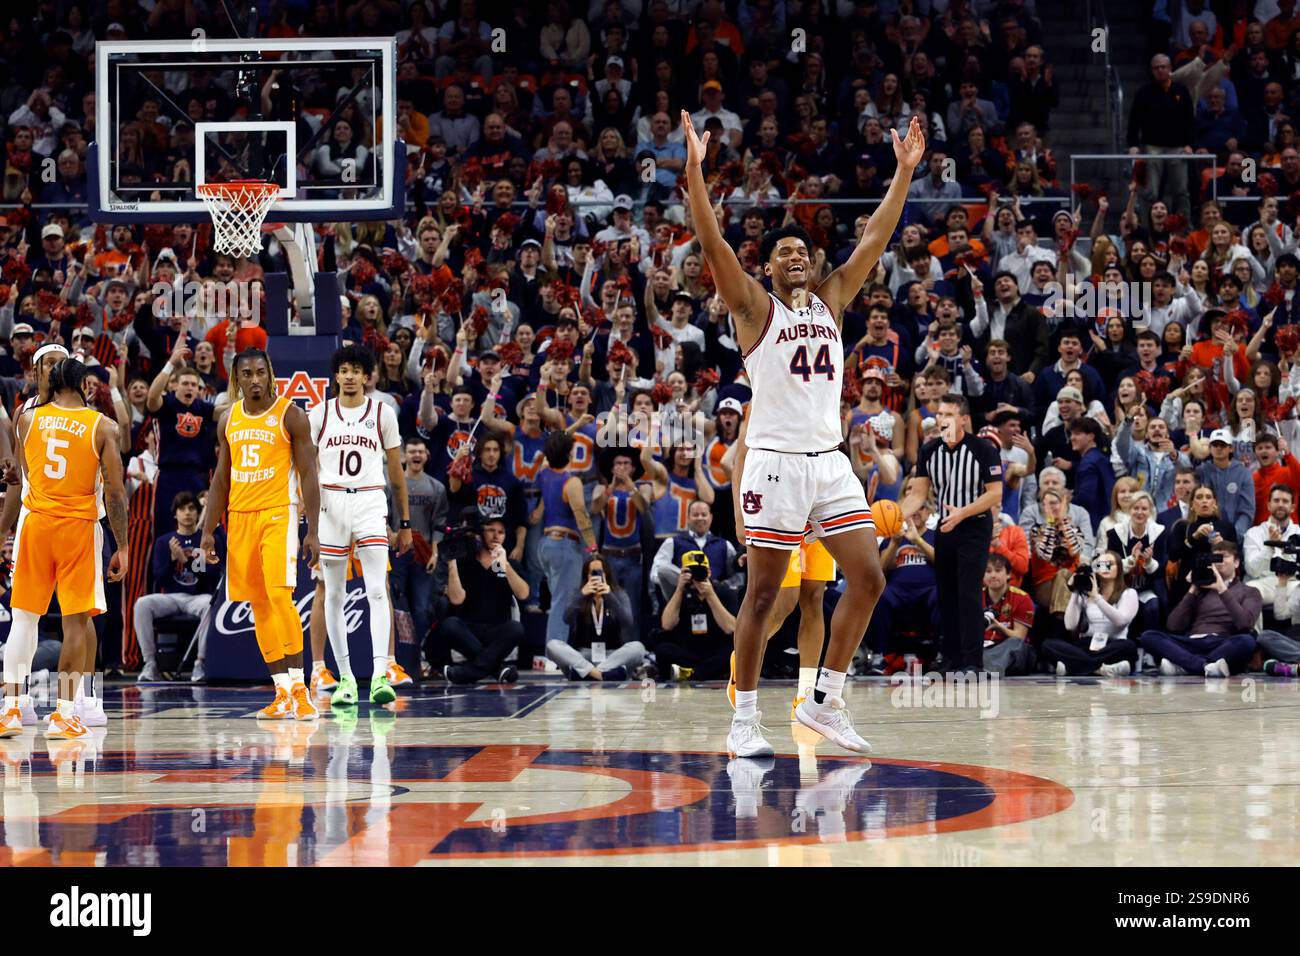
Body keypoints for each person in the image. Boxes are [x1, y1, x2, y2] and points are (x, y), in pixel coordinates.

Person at [683, 109, 924, 759]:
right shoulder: (753, 308)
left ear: (812, 261)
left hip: (829, 461)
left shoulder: (833, 297)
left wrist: (902, 173)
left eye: (801, 251)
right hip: (775, 463)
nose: (794, 257)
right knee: (764, 596)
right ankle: (744, 721)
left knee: (867, 578)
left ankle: (824, 702)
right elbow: (714, 246)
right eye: (781, 252)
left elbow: (874, 235)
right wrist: (696, 174)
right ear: (770, 268)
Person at [0, 359, 128, 739]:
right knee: (75, 622)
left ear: (51, 385)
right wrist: (122, 545)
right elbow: (117, 494)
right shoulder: (103, 426)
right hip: (77, 528)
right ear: (85, 387)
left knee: (24, 621)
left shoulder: (26, 419)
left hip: (35, 524)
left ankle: (9, 711)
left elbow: (21, 476)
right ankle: (64, 714)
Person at [200, 349, 322, 721]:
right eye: (247, 374)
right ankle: (281, 691)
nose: (255, 379)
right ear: (237, 379)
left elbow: (308, 474)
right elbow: (222, 479)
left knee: (279, 596)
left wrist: (312, 529)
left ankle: (301, 691)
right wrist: (208, 529)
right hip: (239, 518)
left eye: (260, 372)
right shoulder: (228, 419)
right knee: (258, 605)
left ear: (270, 374)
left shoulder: (291, 415)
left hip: (278, 514)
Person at [309, 345, 412, 709]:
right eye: (345, 370)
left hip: (369, 502)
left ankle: (381, 673)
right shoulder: (319, 414)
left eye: (357, 370)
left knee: (377, 591)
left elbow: (397, 473)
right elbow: (306, 472)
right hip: (330, 504)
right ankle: (347, 679)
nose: (350, 375)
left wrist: (404, 523)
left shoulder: (383, 413)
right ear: (335, 375)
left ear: (367, 376)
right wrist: (308, 525)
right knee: (333, 593)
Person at [898, 394, 1005, 673]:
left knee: (968, 593)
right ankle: (951, 657)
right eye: (939, 413)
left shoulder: (983, 449)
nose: (941, 418)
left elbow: (995, 494)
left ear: (964, 419)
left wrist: (963, 512)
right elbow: (918, 495)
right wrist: (894, 515)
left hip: (974, 525)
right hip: (945, 526)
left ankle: (973, 662)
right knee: (946, 594)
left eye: (948, 413)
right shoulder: (929, 450)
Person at [135, 491, 224, 682]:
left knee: (210, 603)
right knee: (142, 604)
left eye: (192, 508)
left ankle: (200, 664)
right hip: (172, 597)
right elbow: (159, 578)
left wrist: (187, 561)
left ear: (198, 513)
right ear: (175, 514)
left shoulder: (204, 540)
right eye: (182, 509)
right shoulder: (164, 542)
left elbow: (209, 577)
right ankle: (150, 664)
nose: (187, 513)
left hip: (197, 596)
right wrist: (172, 559)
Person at [1140, 541, 1260, 676]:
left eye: (1223, 557)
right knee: (1149, 636)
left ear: (1236, 562)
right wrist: (1193, 589)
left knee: (1246, 641)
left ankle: (1184, 666)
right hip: (1192, 642)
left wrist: (1222, 589)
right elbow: (1173, 625)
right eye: (1215, 558)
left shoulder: (1249, 591)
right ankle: (1204, 666)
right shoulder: (1201, 589)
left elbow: (1245, 623)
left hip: (1222, 642)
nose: (1219, 562)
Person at [440, 515, 528, 685]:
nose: (496, 536)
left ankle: (466, 673)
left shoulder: (510, 565)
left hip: (497, 630)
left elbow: (523, 594)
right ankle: (498, 669)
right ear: (481, 533)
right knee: (450, 624)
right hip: (469, 630)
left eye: (501, 532)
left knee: (517, 629)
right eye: (491, 530)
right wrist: (452, 565)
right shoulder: (465, 563)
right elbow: (456, 599)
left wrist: (506, 566)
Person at [536, 431, 598, 649]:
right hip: (564, 544)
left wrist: (575, 427)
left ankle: (561, 646)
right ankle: (556, 651)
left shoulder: (543, 472)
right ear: (570, 453)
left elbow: (551, 449)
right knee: (562, 602)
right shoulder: (571, 482)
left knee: (559, 600)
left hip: (545, 544)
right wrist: (593, 547)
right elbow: (582, 517)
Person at [548, 554, 648, 681]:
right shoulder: (579, 594)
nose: (596, 577)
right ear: (586, 576)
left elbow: (627, 622)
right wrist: (581, 595)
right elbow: (567, 618)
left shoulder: (618, 594)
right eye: (592, 573)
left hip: (612, 655)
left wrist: (609, 596)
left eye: (599, 572)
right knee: (552, 645)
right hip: (583, 655)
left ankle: (587, 674)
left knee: (638, 648)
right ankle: (603, 674)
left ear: (606, 574)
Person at [1041, 551, 1140, 676]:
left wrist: (1097, 599)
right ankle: (1100, 669)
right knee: (1048, 645)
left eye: (1110, 564)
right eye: (1102, 564)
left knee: (1129, 647)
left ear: (1119, 568)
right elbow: (1070, 625)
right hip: (1088, 645)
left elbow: (1121, 621)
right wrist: (1076, 591)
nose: (1106, 567)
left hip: (1113, 645)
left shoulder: (1129, 593)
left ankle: (1075, 666)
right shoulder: (1085, 593)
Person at [654, 550, 738, 681]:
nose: (694, 575)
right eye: (689, 572)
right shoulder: (680, 594)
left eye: (700, 571)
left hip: (715, 650)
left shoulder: (723, 592)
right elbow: (667, 625)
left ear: (709, 573)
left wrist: (710, 596)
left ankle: (692, 674)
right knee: (662, 649)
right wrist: (679, 589)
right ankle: (701, 672)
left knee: (734, 653)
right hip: (688, 651)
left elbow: (731, 628)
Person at [980, 552, 1037, 675]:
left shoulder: (1022, 598)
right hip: (984, 646)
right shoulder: (975, 597)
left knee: (1015, 643)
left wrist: (1000, 628)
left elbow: (1019, 636)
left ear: (1008, 574)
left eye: (998, 570)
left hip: (1010, 648)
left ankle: (990, 667)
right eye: (988, 571)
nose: (993, 575)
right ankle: (986, 665)